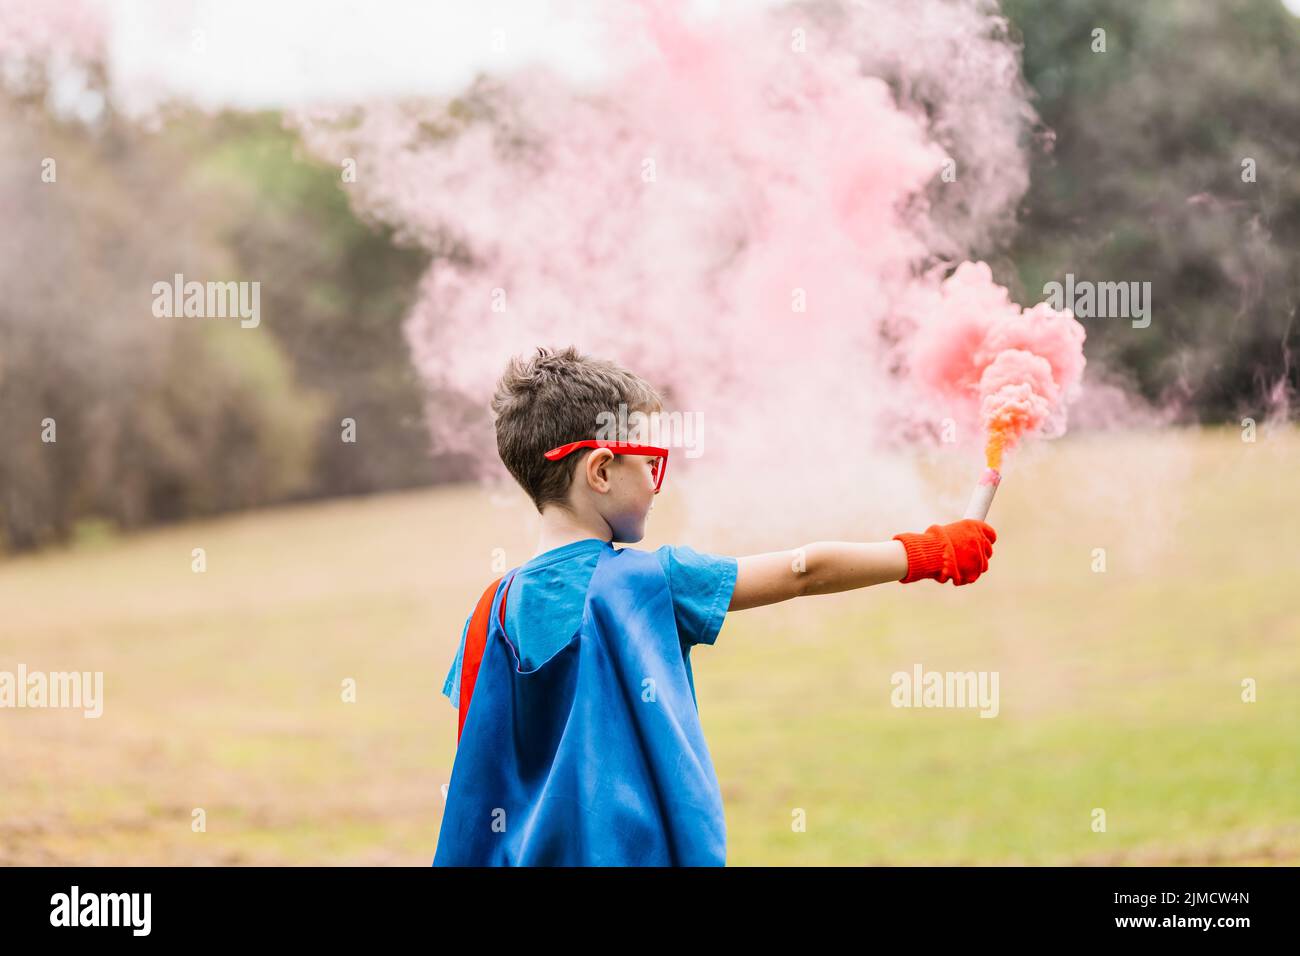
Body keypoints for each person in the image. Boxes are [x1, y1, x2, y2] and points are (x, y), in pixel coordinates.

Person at [434, 346, 996, 865]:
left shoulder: (489, 611)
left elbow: (481, 769)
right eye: (649, 463)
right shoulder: (651, 579)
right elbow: (805, 571)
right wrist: (927, 552)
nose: (657, 485)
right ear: (601, 470)